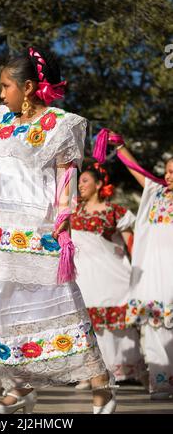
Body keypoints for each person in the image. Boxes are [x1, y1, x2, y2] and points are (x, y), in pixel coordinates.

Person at [0, 46, 117, 414]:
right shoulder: (2, 121)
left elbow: (65, 180)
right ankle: (18, 390)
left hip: (40, 233)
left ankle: (102, 385)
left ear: (27, 87)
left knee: (63, 308)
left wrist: (63, 227)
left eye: (6, 86)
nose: (0, 93)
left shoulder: (62, 124)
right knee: (2, 312)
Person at [106, 134, 173, 400]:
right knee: (153, 328)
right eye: (168, 171)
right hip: (153, 273)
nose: (169, 176)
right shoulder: (155, 193)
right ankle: (160, 382)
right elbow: (136, 171)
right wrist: (120, 147)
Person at [71, 163, 147, 388]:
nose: (80, 185)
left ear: (99, 184)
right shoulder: (73, 212)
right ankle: (90, 373)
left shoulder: (115, 211)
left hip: (111, 276)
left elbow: (132, 243)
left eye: (85, 180)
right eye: (79, 181)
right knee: (87, 324)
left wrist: (141, 270)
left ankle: (125, 371)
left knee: (116, 324)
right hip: (84, 276)